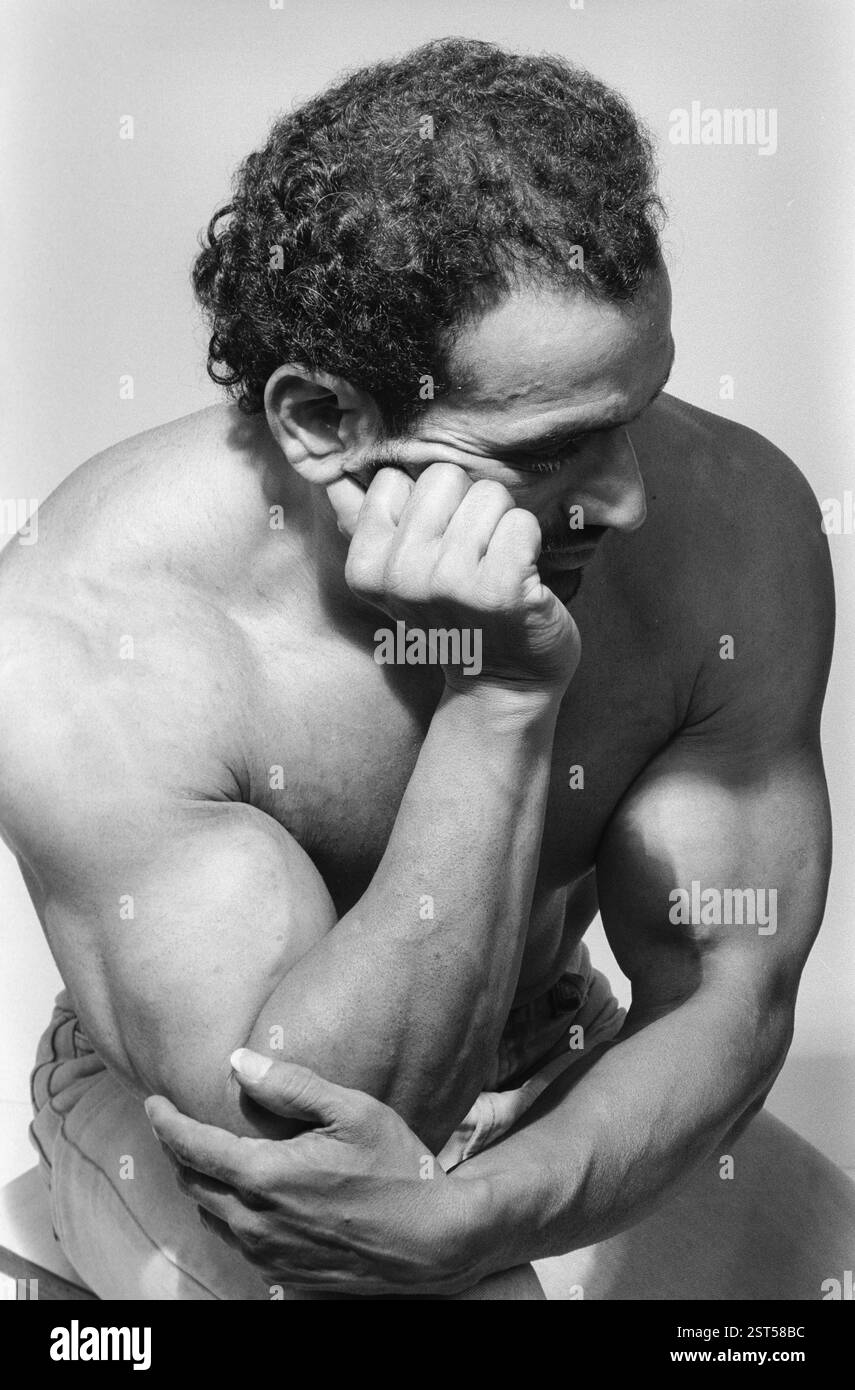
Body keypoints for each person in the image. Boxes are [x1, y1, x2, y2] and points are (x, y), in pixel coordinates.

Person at [1, 37, 851, 1300]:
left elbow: (729, 991)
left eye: (641, 407)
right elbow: (300, 1137)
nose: (627, 498)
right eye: (554, 448)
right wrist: (498, 702)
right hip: (221, 1148)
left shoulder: (735, 522)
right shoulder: (89, 627)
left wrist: (497, 1209)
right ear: (327, 423)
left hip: (556, 1057)